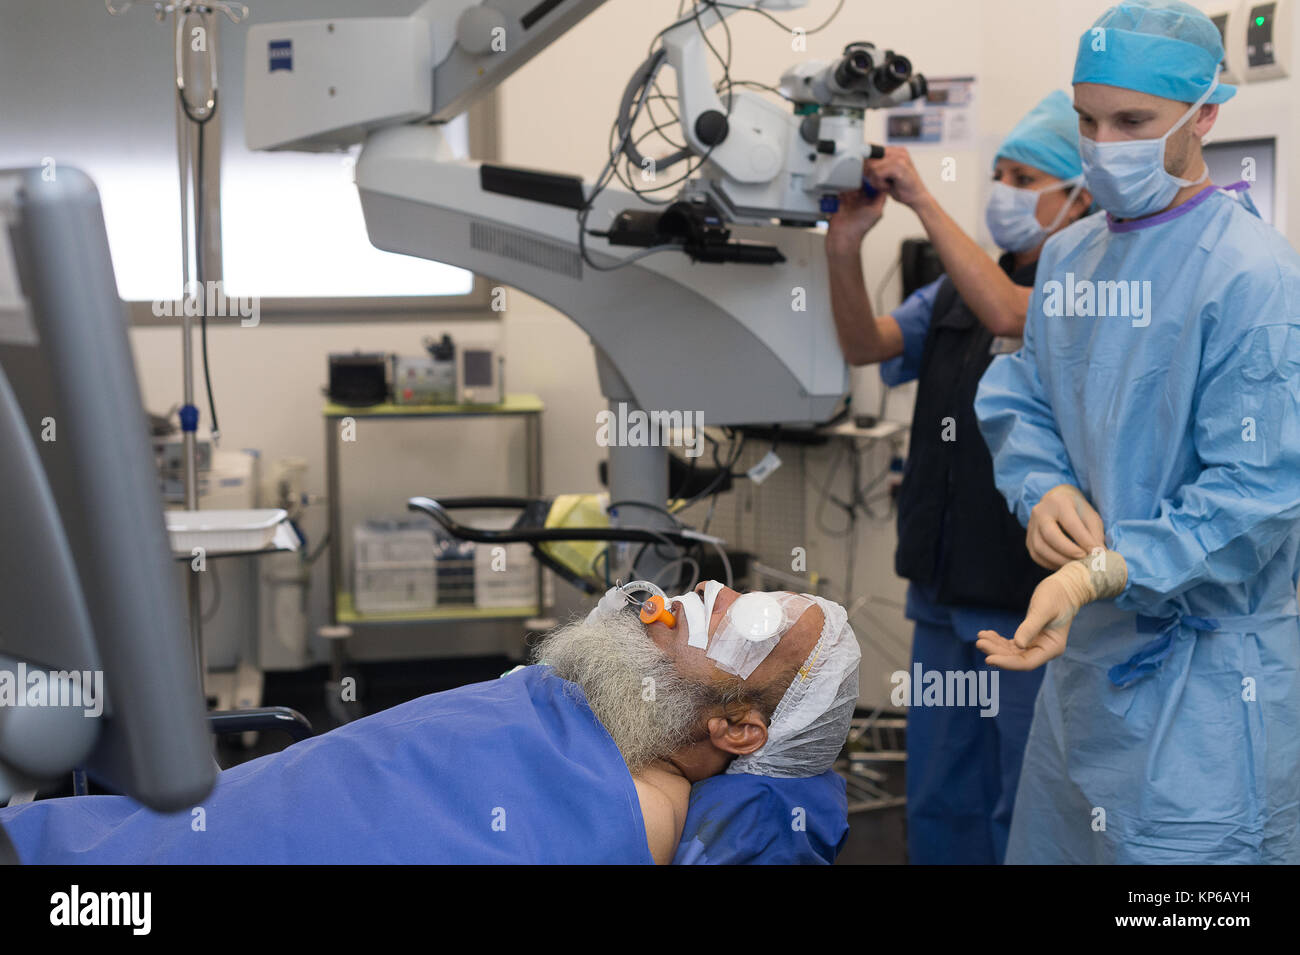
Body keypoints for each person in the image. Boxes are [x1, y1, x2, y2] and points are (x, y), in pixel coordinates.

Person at [973, 0, 1300, 864]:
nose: (1103, 143)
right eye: (1087, 119)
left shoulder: (1254, 277)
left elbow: (1259, 494)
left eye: (1133, 122)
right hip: (1086, 682)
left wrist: (1106, 570)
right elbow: (1023, 395)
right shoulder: (1070, 258)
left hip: (1207, 692)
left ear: (1205, 116)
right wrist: (1038, 484)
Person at [0, 584, 859, 865]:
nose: (704, 602)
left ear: (741, 732)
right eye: (723, 588)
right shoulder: (576, 698)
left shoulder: (635, 804)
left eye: (747, 628)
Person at [823, 91, 1093, 864]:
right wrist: (844, 247)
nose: (1003, 190)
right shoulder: (952, 289)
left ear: (1077, 194)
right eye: (999, 172)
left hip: (1026, 599)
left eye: (1023, 176)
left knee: (1026, 797)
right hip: (943, 596)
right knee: (941, 792)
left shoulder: (1084, 289)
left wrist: (921, 199)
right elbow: (865, 341)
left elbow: (1010, 312)